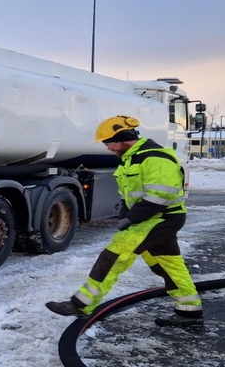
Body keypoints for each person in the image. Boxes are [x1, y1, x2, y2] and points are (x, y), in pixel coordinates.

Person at [46, 115, 204, 327]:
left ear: (123, 138)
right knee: (168, 265)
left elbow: (160, 197)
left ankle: (82, 304)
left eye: (109, 143)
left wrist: (130, 219)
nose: (109, 148)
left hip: (160, 218)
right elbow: (131, 194)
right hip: (153, 219)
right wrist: (126, 213)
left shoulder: (155, 158)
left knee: (113, 256)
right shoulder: (133, 158)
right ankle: (189, 311)